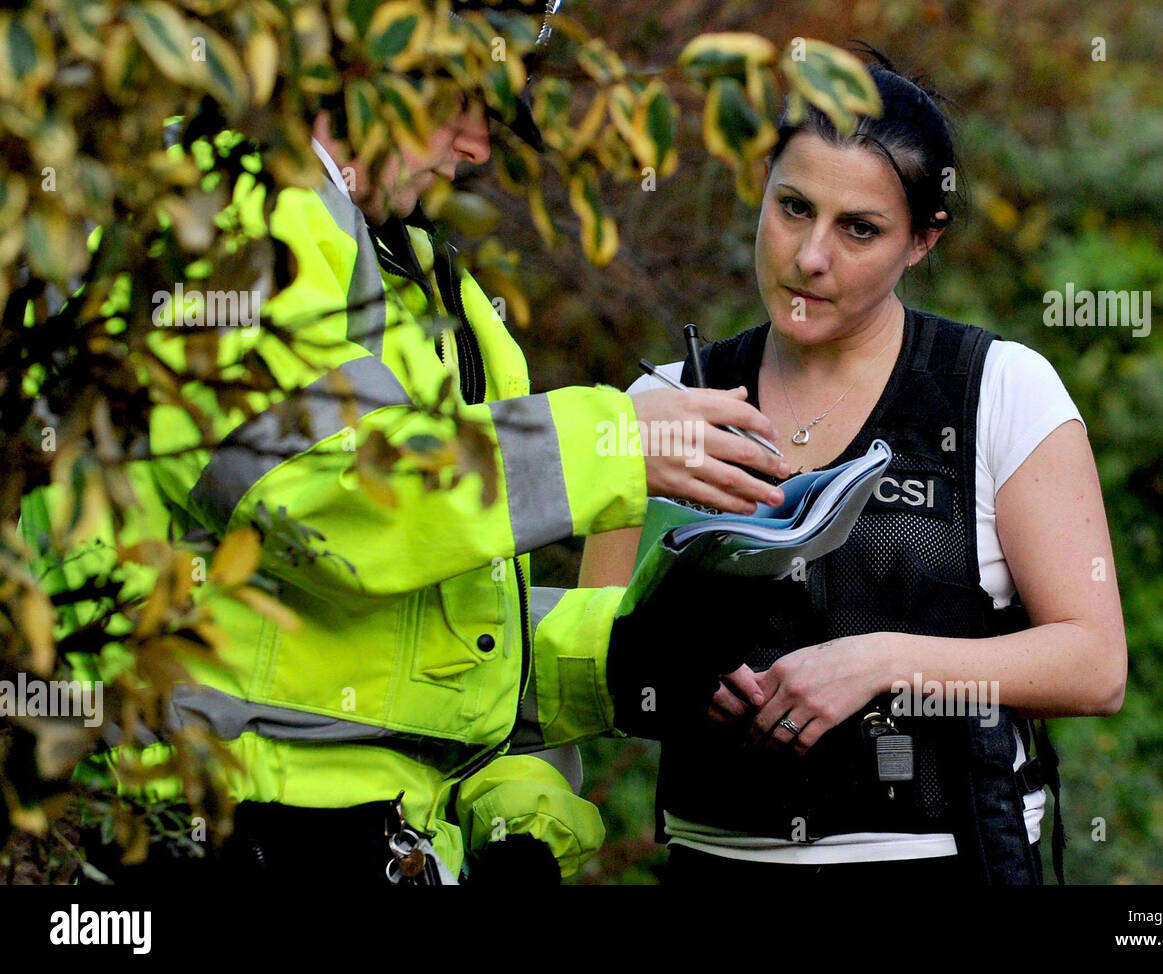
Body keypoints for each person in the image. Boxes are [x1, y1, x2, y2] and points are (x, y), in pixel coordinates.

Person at [21, 0, 790, 885]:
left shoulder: (436, 294)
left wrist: (623, 658)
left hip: (378, 837)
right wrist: (614, 443)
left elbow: (437, 635)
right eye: (461, 101)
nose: (476, 148)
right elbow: (325, 500)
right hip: (218, 829)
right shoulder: (220, 201)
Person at [581, 46, 1128, 885]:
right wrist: (682, 668)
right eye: (793, 207)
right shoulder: (664, 403)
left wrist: (881, 663)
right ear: (759, 187)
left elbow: (1094, 666)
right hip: (713, 859)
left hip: (942, 860)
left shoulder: (997, 390)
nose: (809, 258)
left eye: (859, 228)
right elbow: (584, 656)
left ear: (923, 240)